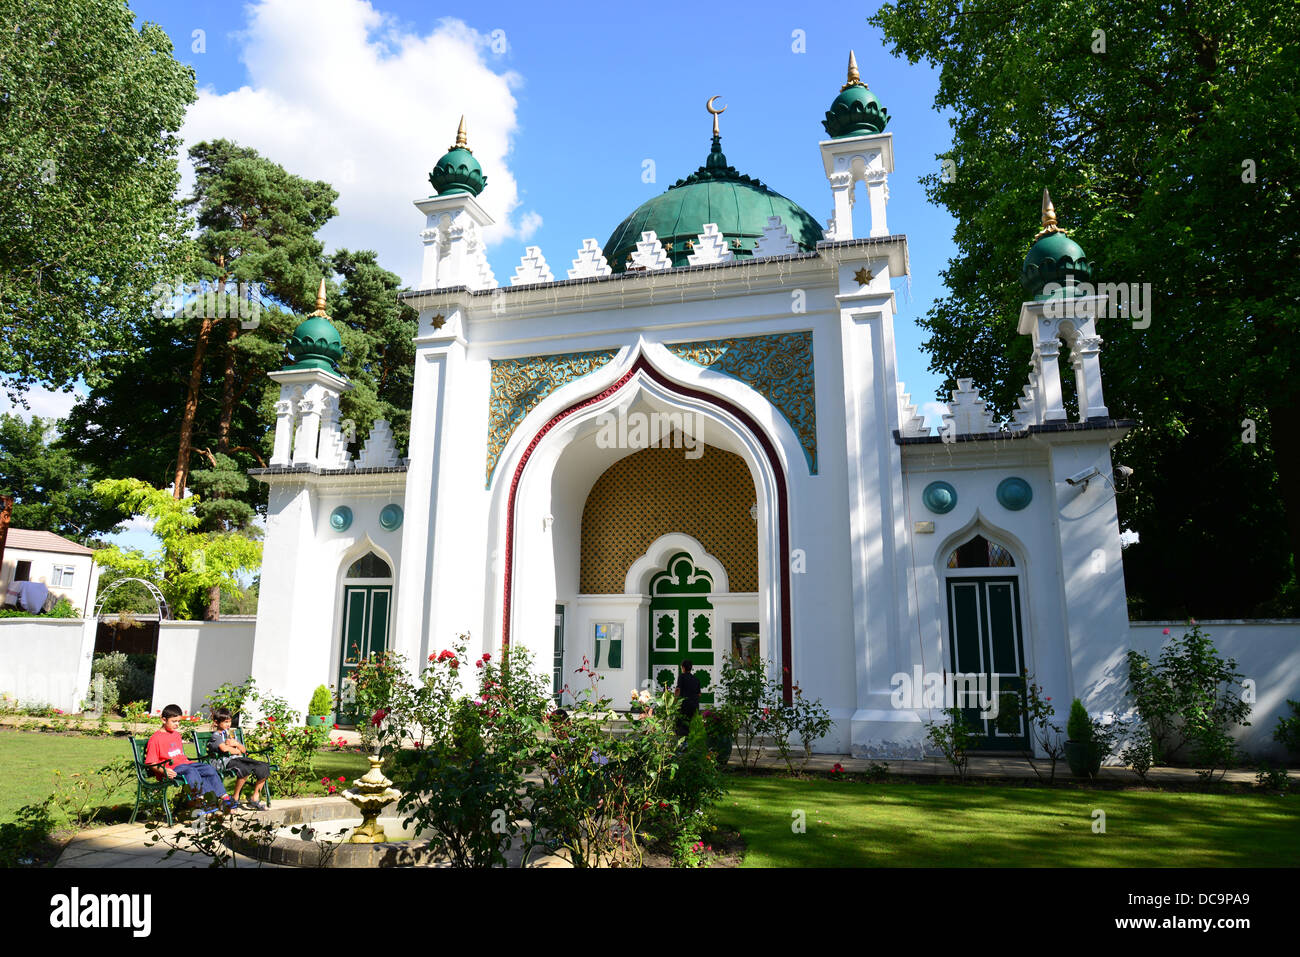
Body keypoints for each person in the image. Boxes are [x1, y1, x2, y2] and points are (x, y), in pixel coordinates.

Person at [144, 704, 235, 815]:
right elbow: (151, 763)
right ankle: (199, 801)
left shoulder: (176, 735)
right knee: (191, 771)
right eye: (174, 721)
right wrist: (164, 771)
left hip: (185, 764)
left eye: (179, 721)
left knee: (208, 768)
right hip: (171, 768)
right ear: (163, 719)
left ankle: (224, 797)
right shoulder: (155, 739)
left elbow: (180, 756)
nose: (177, 724)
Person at [207, 708, 270, 810]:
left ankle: (255, 797)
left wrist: (236, 744)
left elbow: (244, 750)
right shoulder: (216, 736)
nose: (228, 724)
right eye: (225, 722)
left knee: (263, 766)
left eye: (229, 721)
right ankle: (235, 799)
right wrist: (236, 750)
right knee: (244, 768)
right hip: (224, 761)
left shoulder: (231, 734)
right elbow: (224, 749)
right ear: (216, 722)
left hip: (237, 759)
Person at [675, 660, 702, 738]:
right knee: (691, 725)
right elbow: (699, 694)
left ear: (683, 668)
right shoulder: (696, 679)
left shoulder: (681, 677)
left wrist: (674, 701)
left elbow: (678, 690)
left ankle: (682, 744)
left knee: (682, 726)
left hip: (684, 705)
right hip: (694, 705)